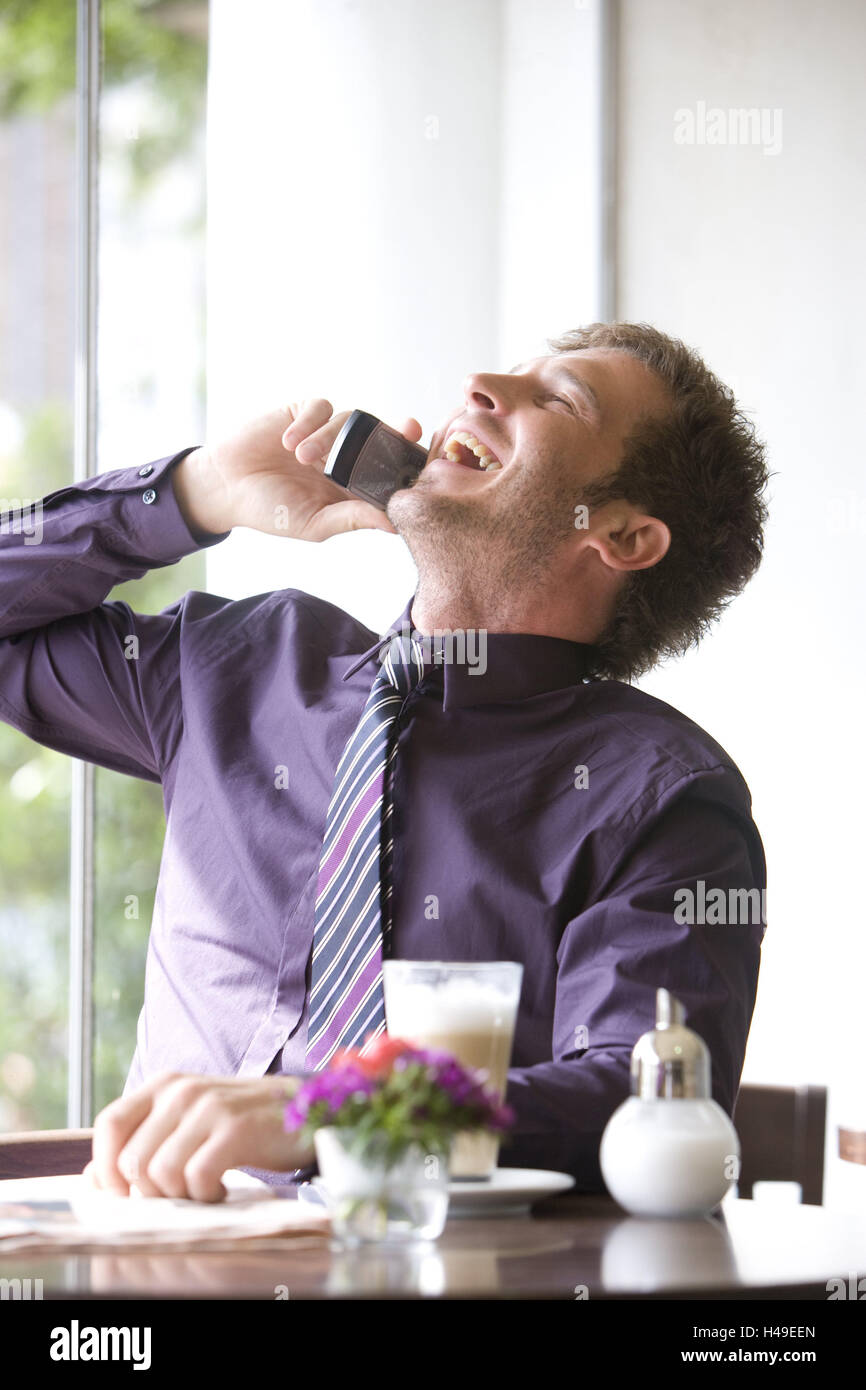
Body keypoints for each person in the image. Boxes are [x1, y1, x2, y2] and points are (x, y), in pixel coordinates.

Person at [0, 322, 769, 1202]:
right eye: (505, 373)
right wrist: (194, 492)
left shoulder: (661, 794)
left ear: (625, 537)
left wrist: (327, 1116)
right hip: (151, 1264)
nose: (480, 383)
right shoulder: (240, 663)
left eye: (555, 399)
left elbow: (643, 1100)